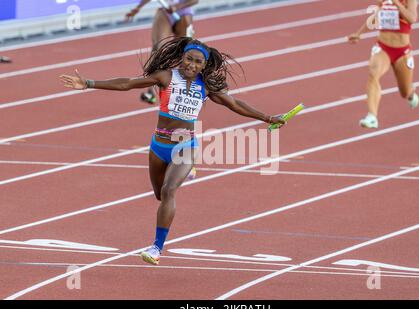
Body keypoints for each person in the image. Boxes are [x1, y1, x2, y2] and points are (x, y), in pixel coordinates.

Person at [60, 37, 285, 265]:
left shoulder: (204, 86)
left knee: (168, 191)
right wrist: (88, 83)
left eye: (198, 62)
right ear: (182, 57)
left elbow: (234, 104)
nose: (192, 65)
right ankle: (185, 174)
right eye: (189, 59)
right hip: (159, 146)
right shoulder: (166, 77)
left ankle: (156, 248)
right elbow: (127, 83)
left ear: (204, 65)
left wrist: (267, 118)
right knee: (159, 194)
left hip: (185, 146)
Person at [348, 0, 419, 129]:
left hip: (402, 52)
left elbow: (412, 18)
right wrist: (359, 33)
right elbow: (377, 15)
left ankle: (411, 93)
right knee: (373, 74)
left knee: (404, 92)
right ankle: (372, 116)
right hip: (383, 48)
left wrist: (397, 4)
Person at [125, 0, 199, 104]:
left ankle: (186, 91)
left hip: (183, 12)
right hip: (165, 13)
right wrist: (138, 8)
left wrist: (177, 6)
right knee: (158, 50)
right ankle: (151, 91)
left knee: (185, 52)